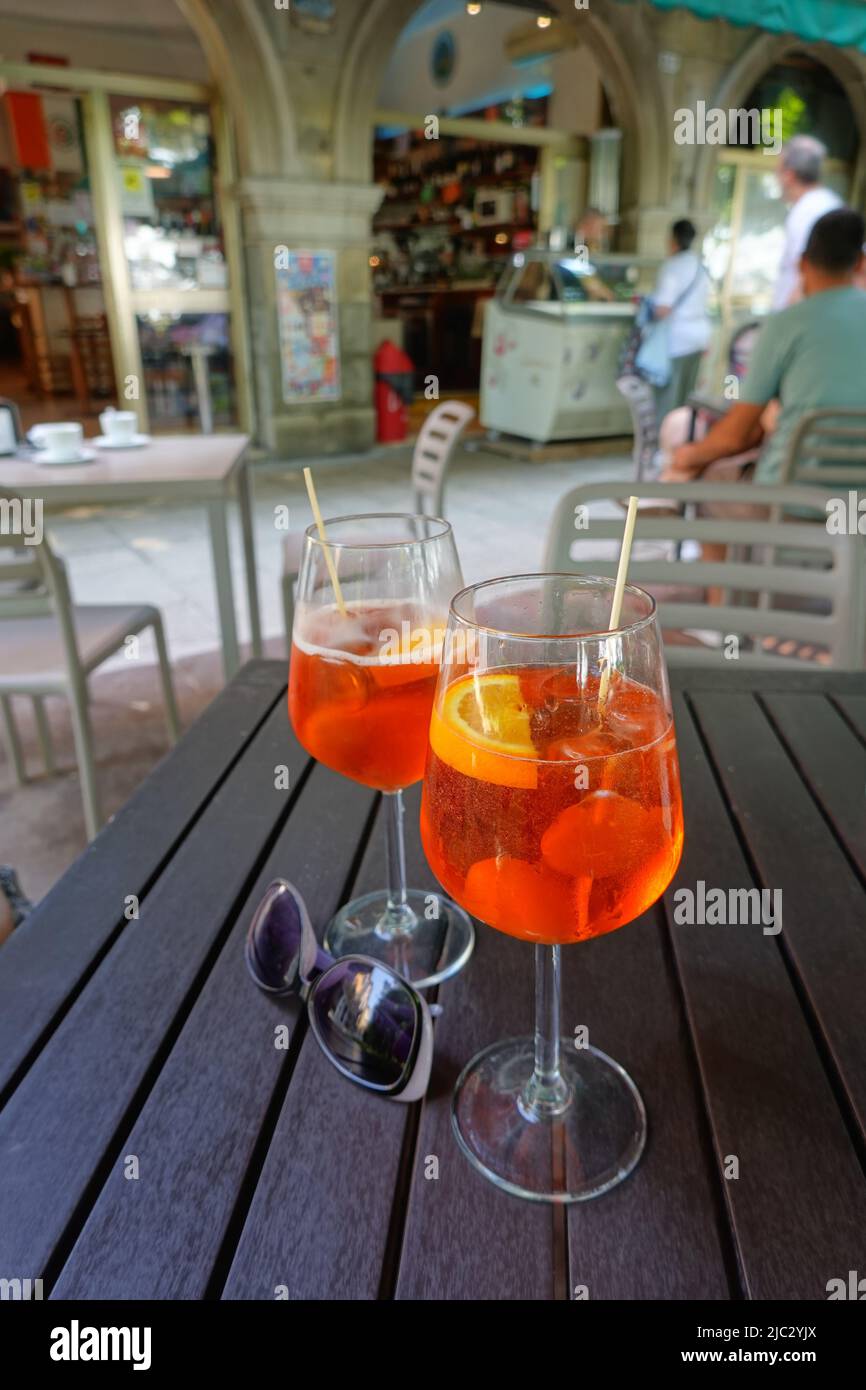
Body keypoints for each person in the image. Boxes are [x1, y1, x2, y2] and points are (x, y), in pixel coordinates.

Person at [664, 207, 866, 489]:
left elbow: (736, 434)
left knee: (709, 483)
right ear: (861, 264)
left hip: (790, 499)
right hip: (857, 507)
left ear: (802, 265)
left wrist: (687, 457)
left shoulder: (785, 325)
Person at [649, 218, 712, 421]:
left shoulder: (672, 266)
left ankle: (665, 446)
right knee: (687, 396)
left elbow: (662, 309)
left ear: (673, 238)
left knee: (669, 398)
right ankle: (683, 440)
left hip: (677, 339)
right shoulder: (699, 266)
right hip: (699, 337)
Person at [772, 135, 842, 310]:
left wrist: (781, 327)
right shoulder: (825, 204)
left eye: (778, 171)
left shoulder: (810, 211)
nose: (776, 178)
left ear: (788, 175)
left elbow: (808, 277)